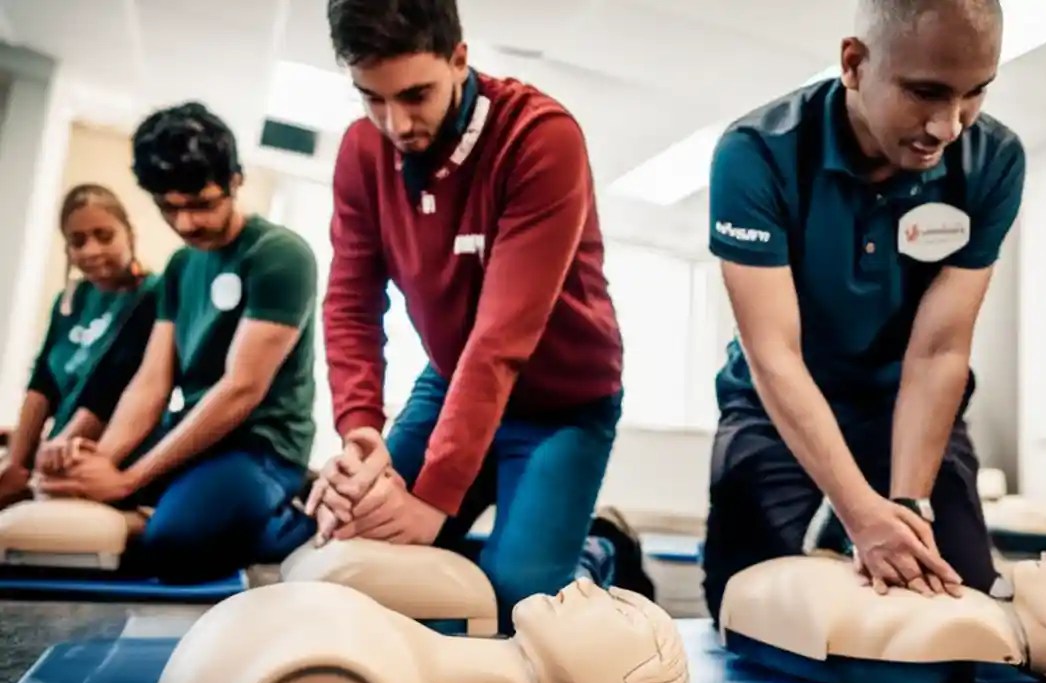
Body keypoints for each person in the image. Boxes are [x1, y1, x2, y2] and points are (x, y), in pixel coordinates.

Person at [309, 0, 649, 629]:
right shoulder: (362, 151)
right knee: (356, 539)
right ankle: (519, 538)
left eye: (415, 95)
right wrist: (361, 434)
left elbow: (501, 339)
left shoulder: (540, 138)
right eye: (372, 99)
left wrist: (434, 499)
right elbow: (351, 301)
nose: (396, 123)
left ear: (459, 58)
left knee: (519, 600)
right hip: (450, 382)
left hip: (561, 403)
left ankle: (597, 550)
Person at [700, 0, 1026, 621]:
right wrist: (856, 511)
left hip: (903, 400)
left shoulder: (995, 161)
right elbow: (775, 353)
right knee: (744, 603)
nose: (948, 126)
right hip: (779, 402)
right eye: (925, 93)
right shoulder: (755, 154)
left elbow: (939, 352)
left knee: (960, 606)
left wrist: (904, 508)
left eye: (973, 95)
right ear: (854, 63)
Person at [32, 103, 318, 582]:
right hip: (195, 434)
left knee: (176, 544)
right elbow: (151, 383)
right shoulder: (183, 268)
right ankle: (178, 506)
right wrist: (101, 462)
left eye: (202, 204)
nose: (187, 225)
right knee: (64, 483)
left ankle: (302, 503)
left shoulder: (279, 256)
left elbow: (241, 389)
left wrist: (127, 478)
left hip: (261, 446)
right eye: (171, 208)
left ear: (236, 181)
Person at [0, 185, 160, 509]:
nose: (90, 250)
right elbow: (41, 384)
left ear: (128, 233)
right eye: (77, 241)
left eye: (104, 236)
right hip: (55, 446)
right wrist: (16, 462)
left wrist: (55, 452)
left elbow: (111, 388)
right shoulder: (70, 301)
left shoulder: (153, 294)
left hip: (102, 454)